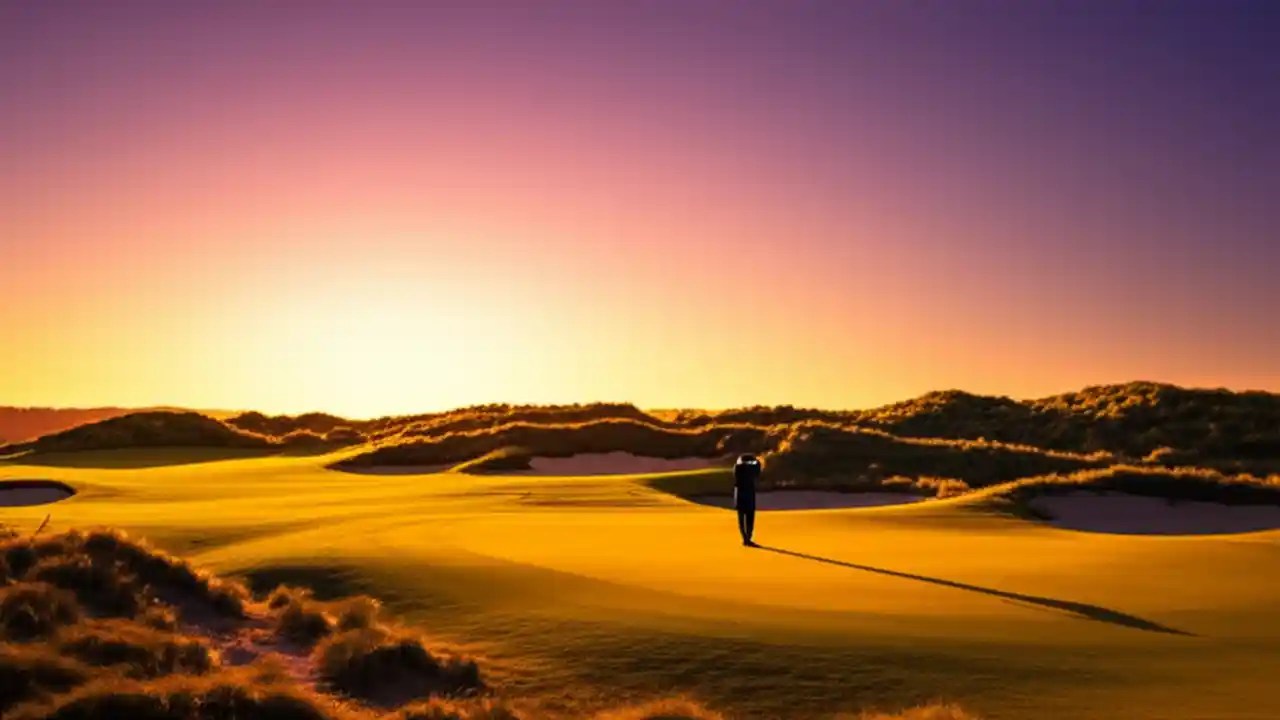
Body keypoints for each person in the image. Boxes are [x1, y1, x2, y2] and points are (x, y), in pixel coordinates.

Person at [733, 453, 761, 546]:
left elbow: (757, 470)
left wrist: (755, 462)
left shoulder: (741, 468)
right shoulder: (739, 468)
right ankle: (746, 539)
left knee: (747, 519)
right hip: (744, 496)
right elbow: (756, 466)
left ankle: (747, 538)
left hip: (745, 496)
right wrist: (755, 461)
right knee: (745, 519)